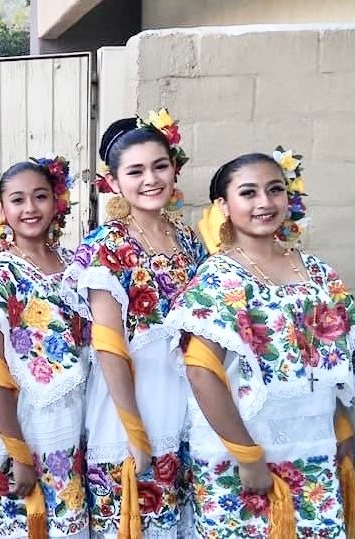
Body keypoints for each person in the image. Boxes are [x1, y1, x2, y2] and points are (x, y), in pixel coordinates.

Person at [167, 148, 354, 537]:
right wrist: (248, 457)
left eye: (275, 190)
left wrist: (343, 432)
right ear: (224, 205)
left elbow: (333, 365)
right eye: (248, 193)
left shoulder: (317, 272)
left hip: (313, 448)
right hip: (241, 456)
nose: (265, 203)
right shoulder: (218, 277)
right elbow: (201, 374)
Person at [61, 110, 206, 538]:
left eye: (160, 166)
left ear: (174, 169)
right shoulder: (105, 246)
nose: (150, 179)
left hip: (182, 405)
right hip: (128, 412)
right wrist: (135, 430)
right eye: (135, 171)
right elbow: (108, 346)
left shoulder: (189, 240)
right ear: (114, 181)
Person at [0, 156, 90, 538]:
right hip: (18, 428)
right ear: (2, 210)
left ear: (57, 202)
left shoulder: (73, 269)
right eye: (18, 200)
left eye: (40, 196)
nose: (30, 208)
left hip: (67, 422)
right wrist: (17, 452)